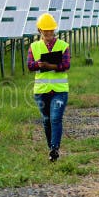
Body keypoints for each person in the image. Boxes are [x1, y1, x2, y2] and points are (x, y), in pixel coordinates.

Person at [27, 13, 70, 162]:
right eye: (46, 31)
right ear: (40, 30)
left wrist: (49, 65)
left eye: (51, 30)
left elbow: (66, 65)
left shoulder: (63, 46)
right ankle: (51, 149)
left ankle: (54, 148)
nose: (49, 33)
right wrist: (38, 64)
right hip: (41, 92)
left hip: (59, 90)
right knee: (46, 120)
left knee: (56, 118)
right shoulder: (34, 47)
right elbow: (29, 66)